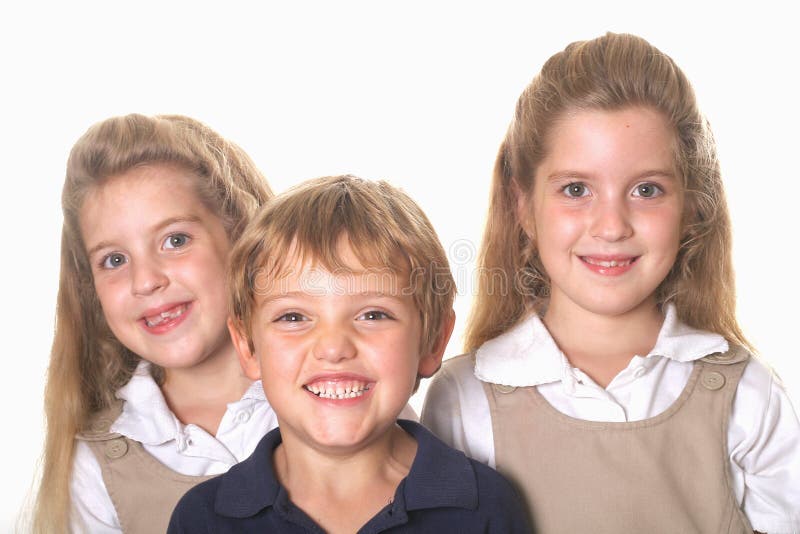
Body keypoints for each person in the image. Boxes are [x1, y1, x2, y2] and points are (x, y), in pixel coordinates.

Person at [421, 32, 800, 534]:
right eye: (576, 189)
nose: (611, 225)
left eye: (646, 189)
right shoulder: (464, 398)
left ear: (690, 205)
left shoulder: (748, 395)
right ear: (522, 204)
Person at [168, 175, 531, 533]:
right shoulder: (202, 520)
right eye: (293, 317)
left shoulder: (486, 508)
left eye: (373, 315)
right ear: (247, 347)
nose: (333, 347)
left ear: (433, 341)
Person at [32, 114, 278, 534]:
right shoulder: (96, 468)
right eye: (114, 260)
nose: (145, 281)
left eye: (175, 240)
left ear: (241, 236)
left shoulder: (338, 393)